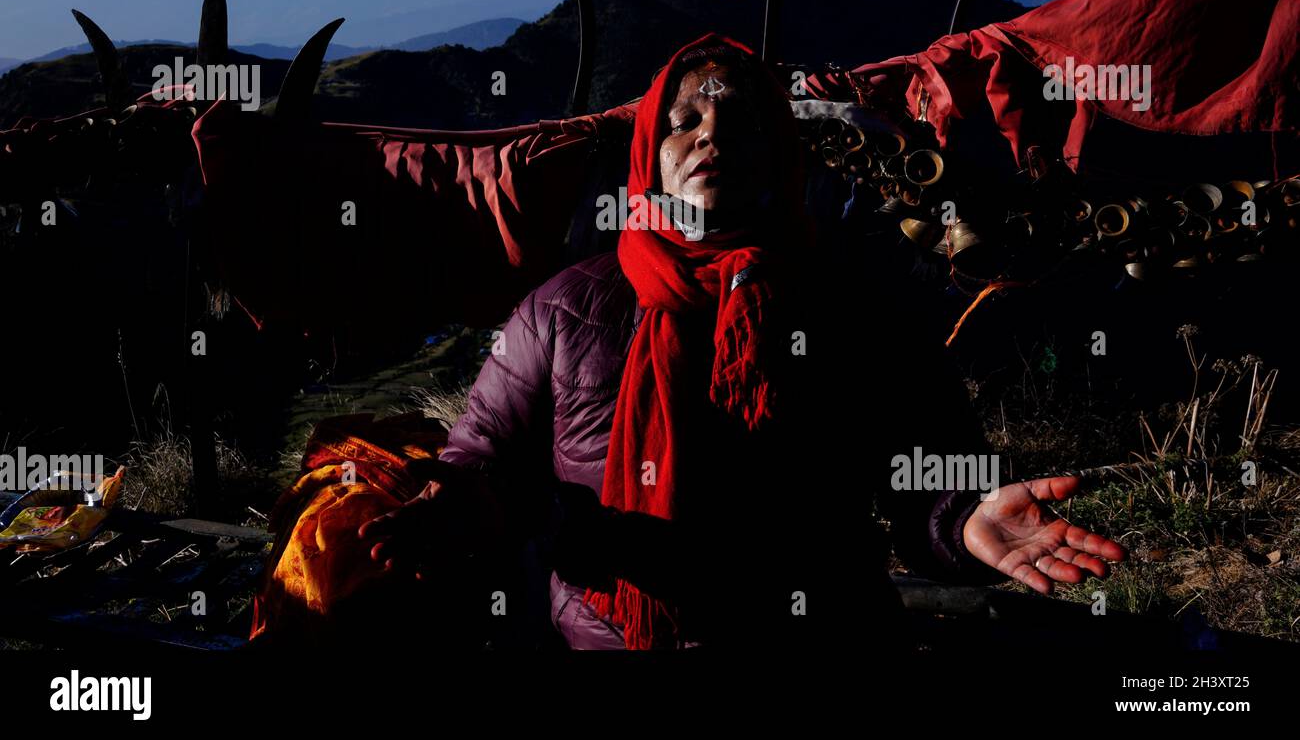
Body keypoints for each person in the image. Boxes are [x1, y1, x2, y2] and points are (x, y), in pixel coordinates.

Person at [357, 32, 1126, 650]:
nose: (710, 134)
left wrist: (964, 519)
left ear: (782, 154)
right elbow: (481, 457)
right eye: (684, 120)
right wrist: (458, 503)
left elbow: (927, 476)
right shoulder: (563, 312)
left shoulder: (853, 305)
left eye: (741, 121)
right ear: (648, 157)